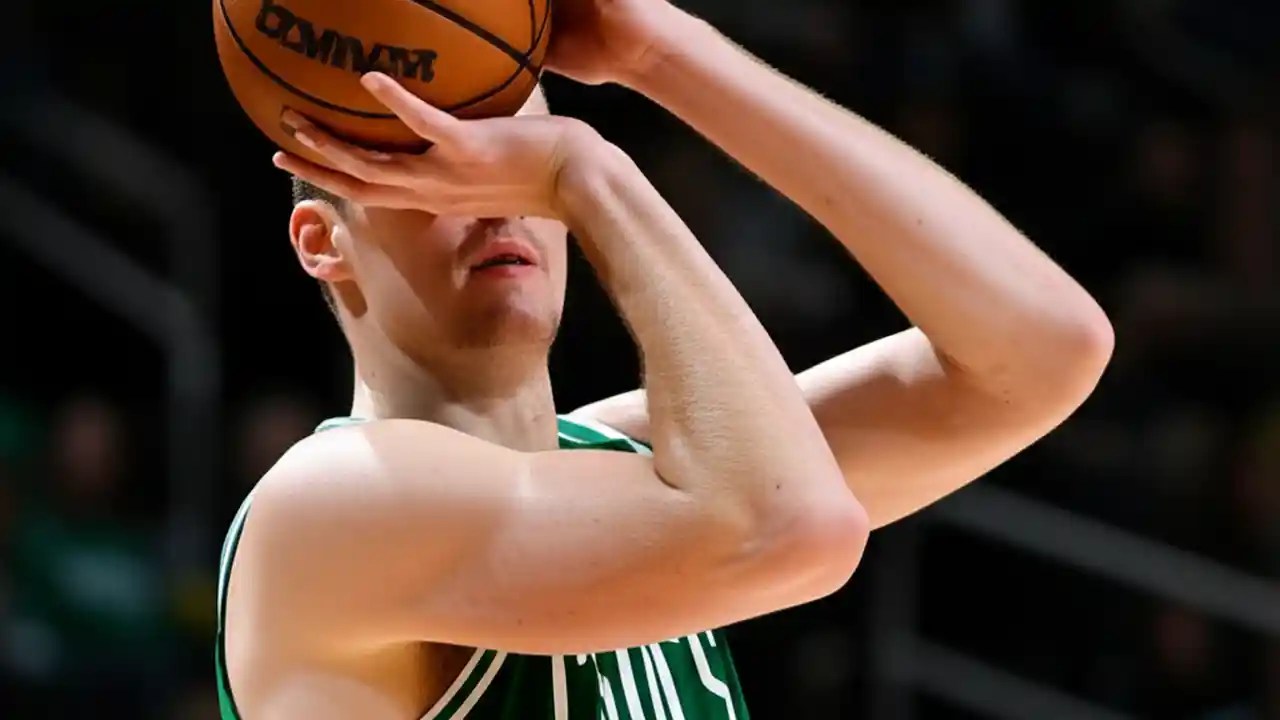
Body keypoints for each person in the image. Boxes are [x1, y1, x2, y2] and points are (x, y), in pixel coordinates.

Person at [215, 0, 1115, 717]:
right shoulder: (327, 506)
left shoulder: (643, 470)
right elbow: (795, 524)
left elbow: (1045, 349)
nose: (498, 201)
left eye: (507, 157)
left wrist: (663, 52)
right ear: (320, 240)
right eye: (440, 163)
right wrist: (585, 169)